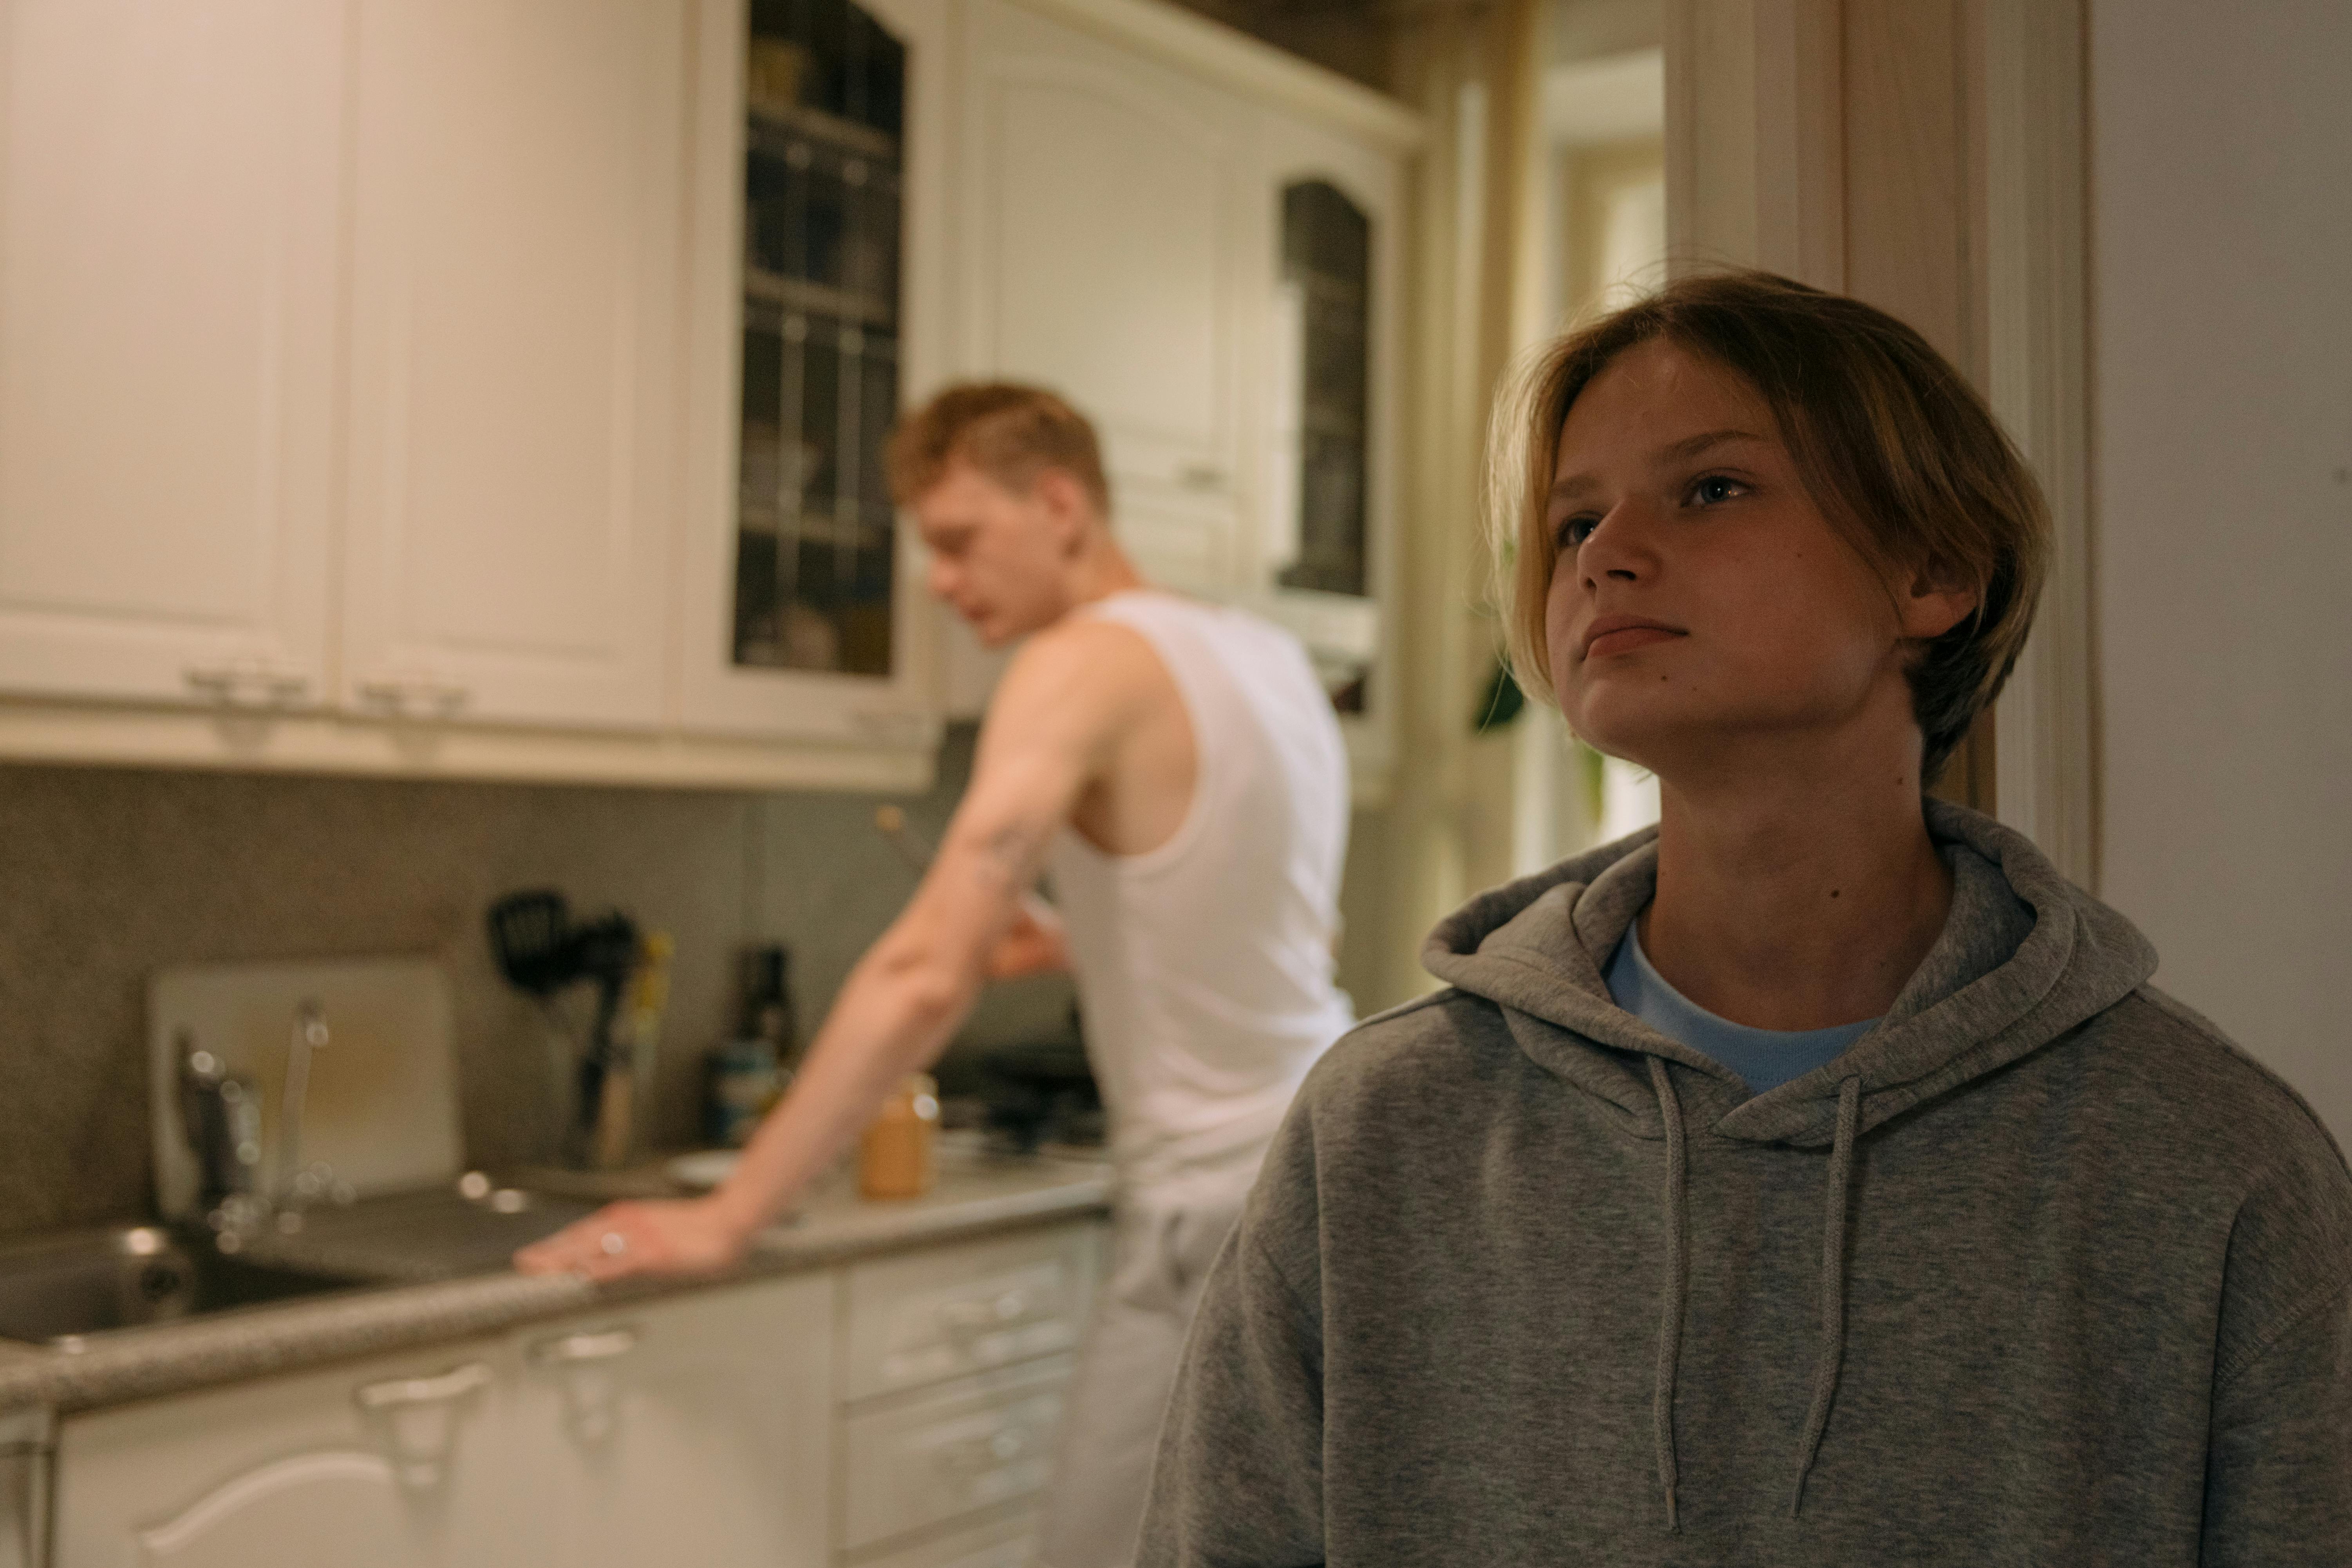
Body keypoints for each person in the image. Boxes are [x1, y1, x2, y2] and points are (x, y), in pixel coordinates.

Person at [1138, 270, 2352, 1563]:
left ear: (1934, 567)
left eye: (1711, 488)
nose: (1607, 552)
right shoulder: (1381, 1129)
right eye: (1571, 522)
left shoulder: (2213, 1162)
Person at [518, 382, 1356, 1568]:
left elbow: (926, 967)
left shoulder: (1077, 663)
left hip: (1215, 1209)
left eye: (960, 538)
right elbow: (1281, 935)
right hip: (1340, 1155)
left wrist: (729, 1215)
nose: (938, 578)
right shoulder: (1266, 655)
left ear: (1059, 502)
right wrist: (1086, 939)